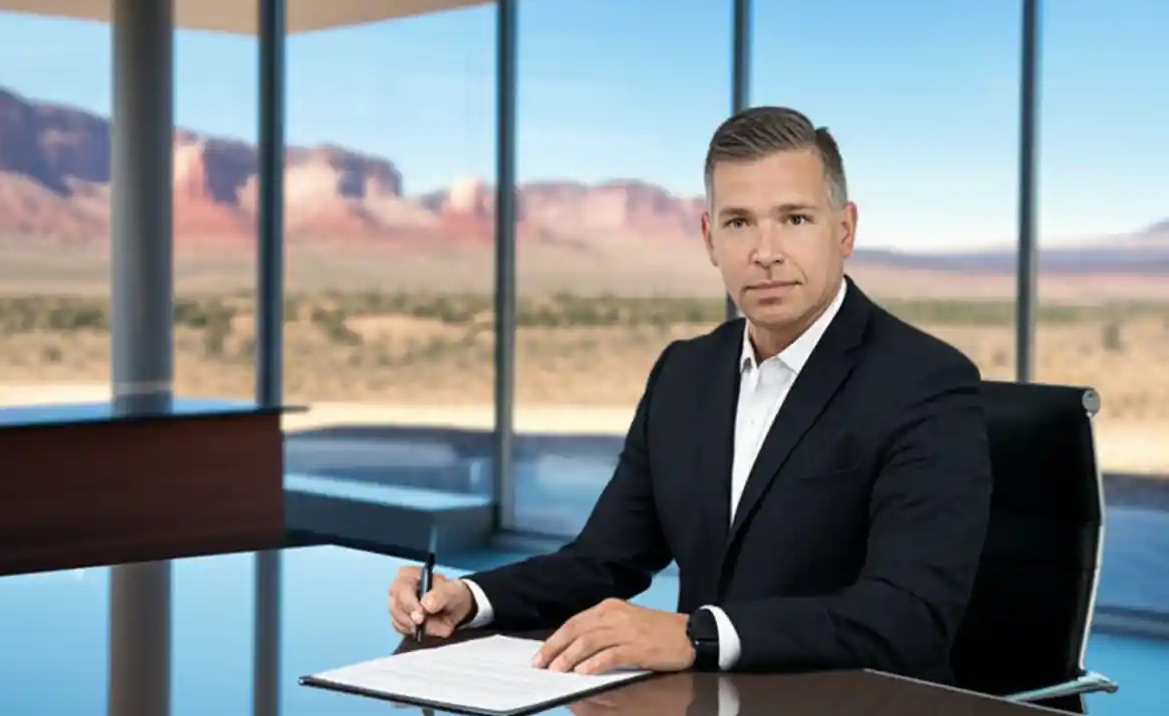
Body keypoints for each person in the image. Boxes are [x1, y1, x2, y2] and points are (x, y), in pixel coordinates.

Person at [386, 106, 992, 685]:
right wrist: (472, 597)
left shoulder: (926, 383)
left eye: (796, 218)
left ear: (845, 229)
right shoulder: (685, 373)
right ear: (709, 239)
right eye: (738, 222)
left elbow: (909, 617)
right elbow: (604, 560)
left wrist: (698, 635)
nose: (766, 251)